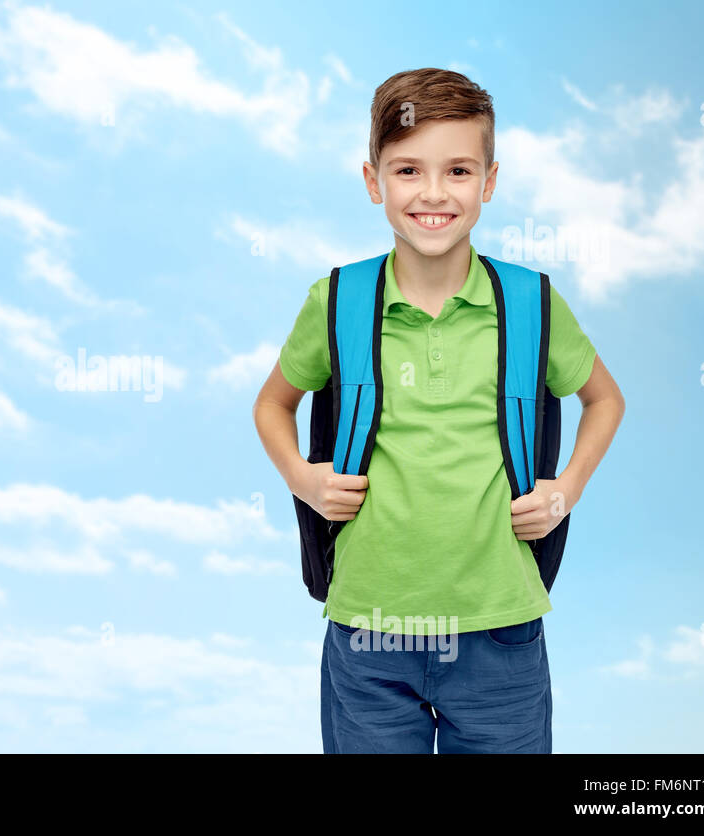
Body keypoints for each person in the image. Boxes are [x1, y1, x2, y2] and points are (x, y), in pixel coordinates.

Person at [251, 68, 625, 753]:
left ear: (488, 181)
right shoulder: (337, 300)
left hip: (500, 631)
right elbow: (273, 402)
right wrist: (304, 480)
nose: (432, 193)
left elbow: (604, 398)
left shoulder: (531, 302)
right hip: (369, 631)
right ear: (373, 182)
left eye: (457, 170)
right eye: (407, 170)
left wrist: (564, 490)